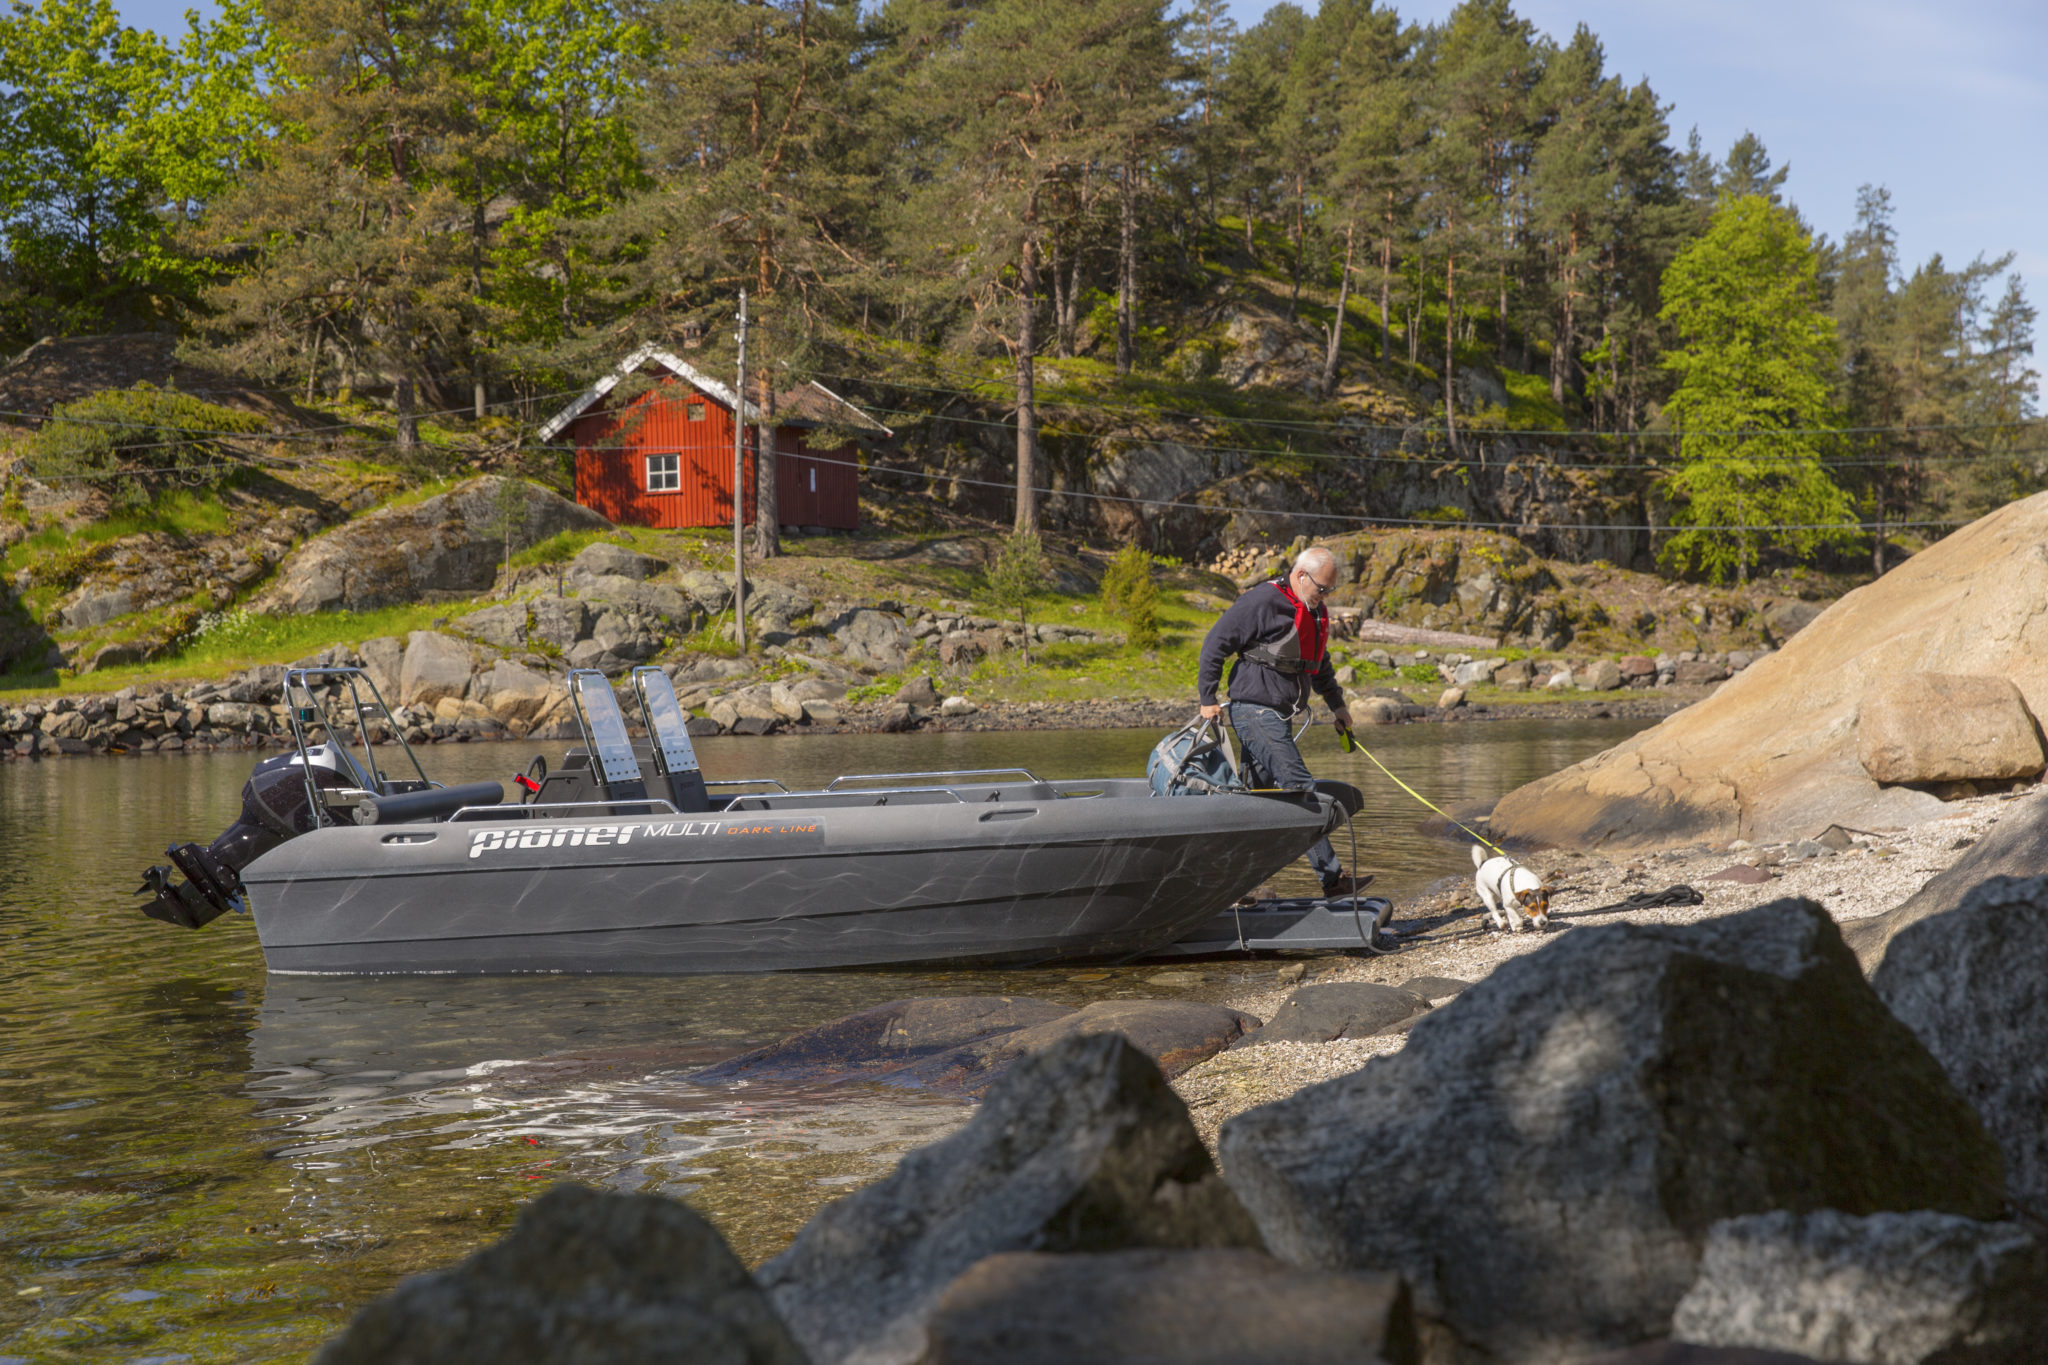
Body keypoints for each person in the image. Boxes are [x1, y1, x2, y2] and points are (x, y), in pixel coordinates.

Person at [1196, 545, 1363, 898]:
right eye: (1322, 588)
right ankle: (1333, 882)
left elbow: (1320, 663)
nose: (1325, 596)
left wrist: (1338, 706)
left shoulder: (1312, 610)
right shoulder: (1261, 602)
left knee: (1257, 803)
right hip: (1254, 712)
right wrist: (1207, 700)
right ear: (1302, 575)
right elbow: (1215, 644)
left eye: (1330, 590)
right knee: (1300, 788)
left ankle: (1235, 889)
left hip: (1277, 716)